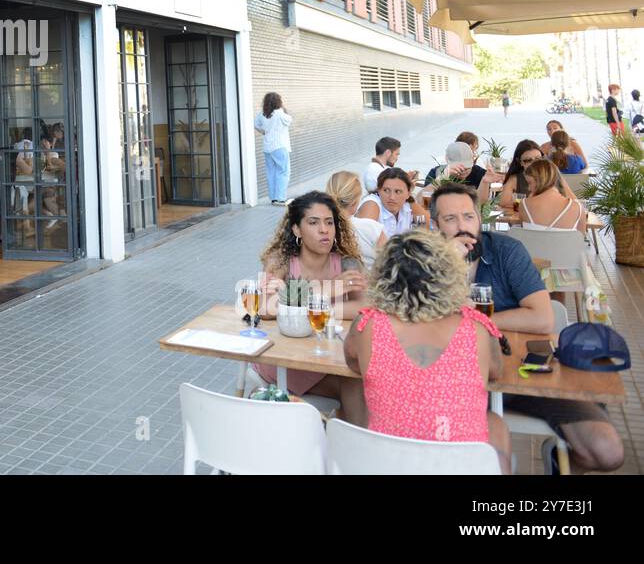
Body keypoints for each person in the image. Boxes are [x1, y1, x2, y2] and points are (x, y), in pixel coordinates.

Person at [430, 182, 624, 473]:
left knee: (607, 451)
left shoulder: (506, 251)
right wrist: (448, 266)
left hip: (524, 376)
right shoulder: (422, 260)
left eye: (468, 217)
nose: (462, 227)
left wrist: (477, 319)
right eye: (450, 219)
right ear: (435, 226)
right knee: (477, 458)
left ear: (479, 218)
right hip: (453, 383)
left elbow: (543, 318)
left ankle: (556, 461)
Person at [344, 229, 509, 470]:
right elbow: (495, 371)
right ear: (448, 274)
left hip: (387, 464)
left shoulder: (366, 325)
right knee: (496, 424)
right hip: (459, 466)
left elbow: (353, 362)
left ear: (382, 277)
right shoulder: (477, 327)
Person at [256, 191, 367, 424]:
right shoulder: (281, 261)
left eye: (329, 222)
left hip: (330, 358)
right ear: (297, 229)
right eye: (314, 223)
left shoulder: (347, 262)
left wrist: (318, 310)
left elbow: (364, 307)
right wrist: (327, 290)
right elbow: (266, 308)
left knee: (361, 381)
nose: (324, 230)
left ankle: (341, 437)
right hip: (286, 361)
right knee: (355, 384)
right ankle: (348, 440)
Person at [326, 170, 387, 269]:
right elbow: (391, 263)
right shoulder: (371, 228)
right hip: (370, 278)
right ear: (355, 202)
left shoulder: (319, 230)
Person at [517, 159, 587, 233]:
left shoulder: (524, 205)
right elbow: (581, 237)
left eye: (530, 183)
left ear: (540, 180)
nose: (529, 188)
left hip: (532, 241)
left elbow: (524, 232)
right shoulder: (577, 208)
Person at [357, 168, 423, 237]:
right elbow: (365, 239)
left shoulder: (409, 205)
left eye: (398, 191)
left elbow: (424, 229)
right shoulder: (371, 205)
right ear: (378, 190)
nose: (392, 197)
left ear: (408, 193)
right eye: (386, 190)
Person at [253, 92, 292, 205]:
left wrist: (263, 132)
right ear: (278, 102)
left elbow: (255, 124)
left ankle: (274, 198)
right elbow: (289, 120)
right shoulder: (279, 113)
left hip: (267, 148)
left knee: (271, 173)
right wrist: (283, 108)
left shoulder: (263, 114)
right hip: (280, 147)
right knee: (283, 172)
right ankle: (280, 198)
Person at [497, 139, 544, 210]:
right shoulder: (514, 179)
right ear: (520, 162)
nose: (534, 163)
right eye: (528, 160)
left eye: (538, 159)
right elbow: (504, 202)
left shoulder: (551, 176)